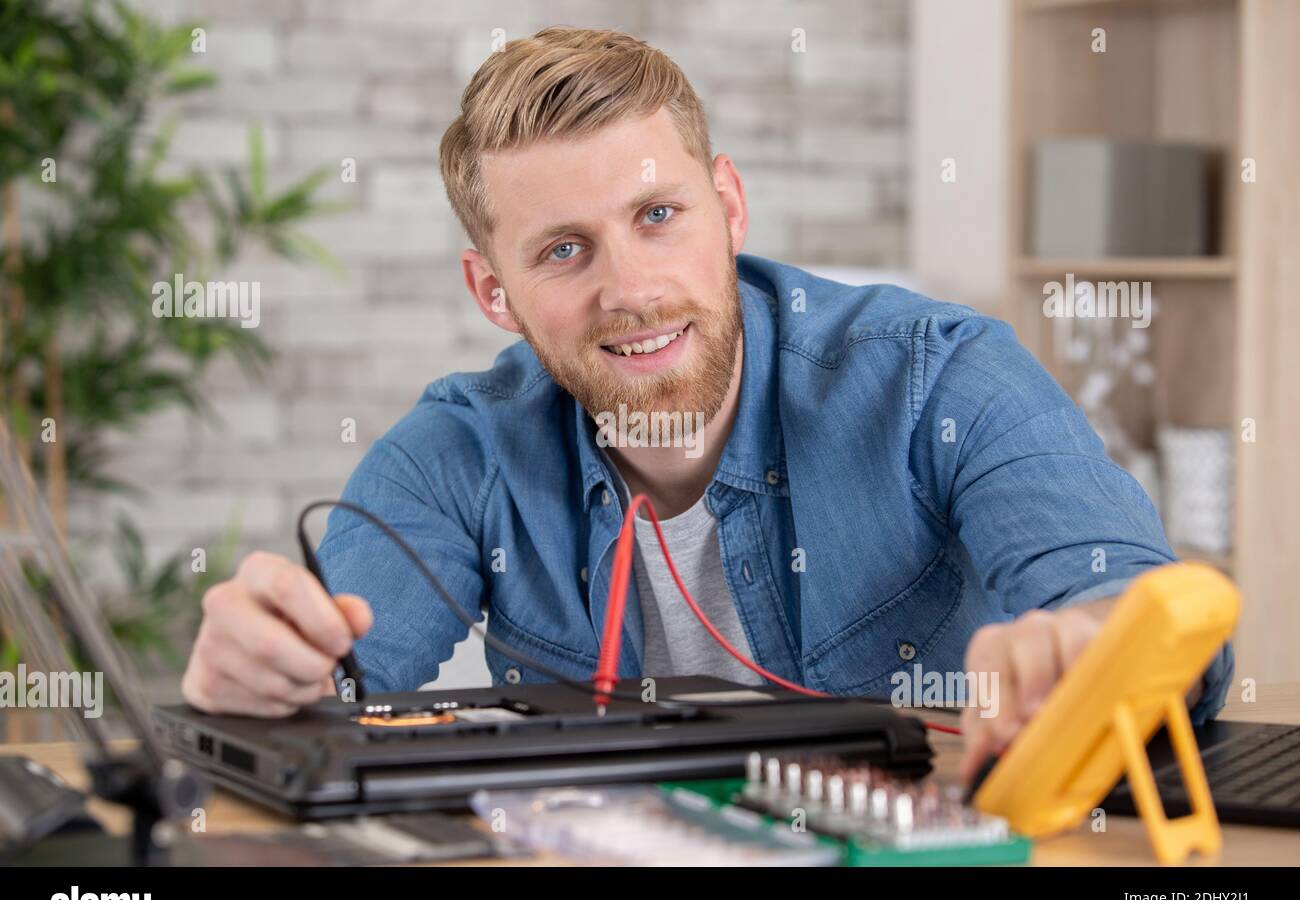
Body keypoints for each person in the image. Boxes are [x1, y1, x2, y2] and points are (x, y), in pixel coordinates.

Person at [181, 27, 1231, 784]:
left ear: (727, 206)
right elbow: (325, 709)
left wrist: (1096, 645)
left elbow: (1149, 615)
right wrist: (250, 685)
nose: (629, 288)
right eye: (562, 250)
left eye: (657, 215)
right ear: (491, 292)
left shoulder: (936, 373)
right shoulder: (453, 454)